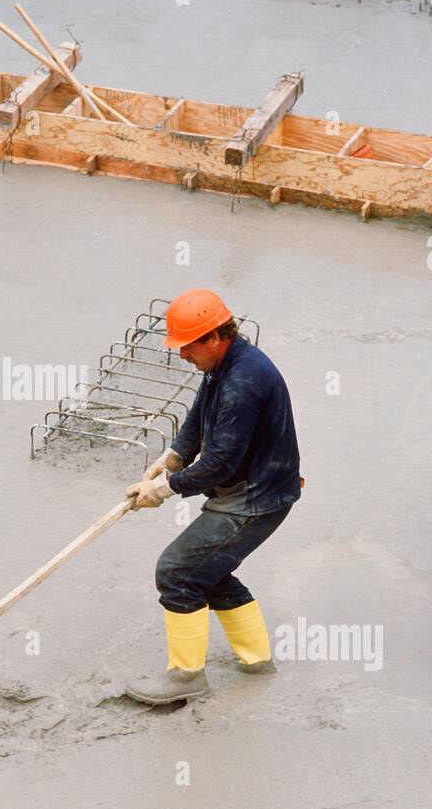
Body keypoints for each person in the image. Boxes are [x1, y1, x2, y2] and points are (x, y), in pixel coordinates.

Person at [124, 288, 301, 705]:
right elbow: (198, 414)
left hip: (256, 500)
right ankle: (257, 662)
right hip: (252, 488)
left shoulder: (243, 381)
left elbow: (220, 462)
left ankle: (186, 677)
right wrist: (172, 456)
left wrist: (162, 491)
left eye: (188, 346)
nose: (183, 355)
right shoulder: (225, 362)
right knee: (209, 571)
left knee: (177, 570)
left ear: (214, 338)